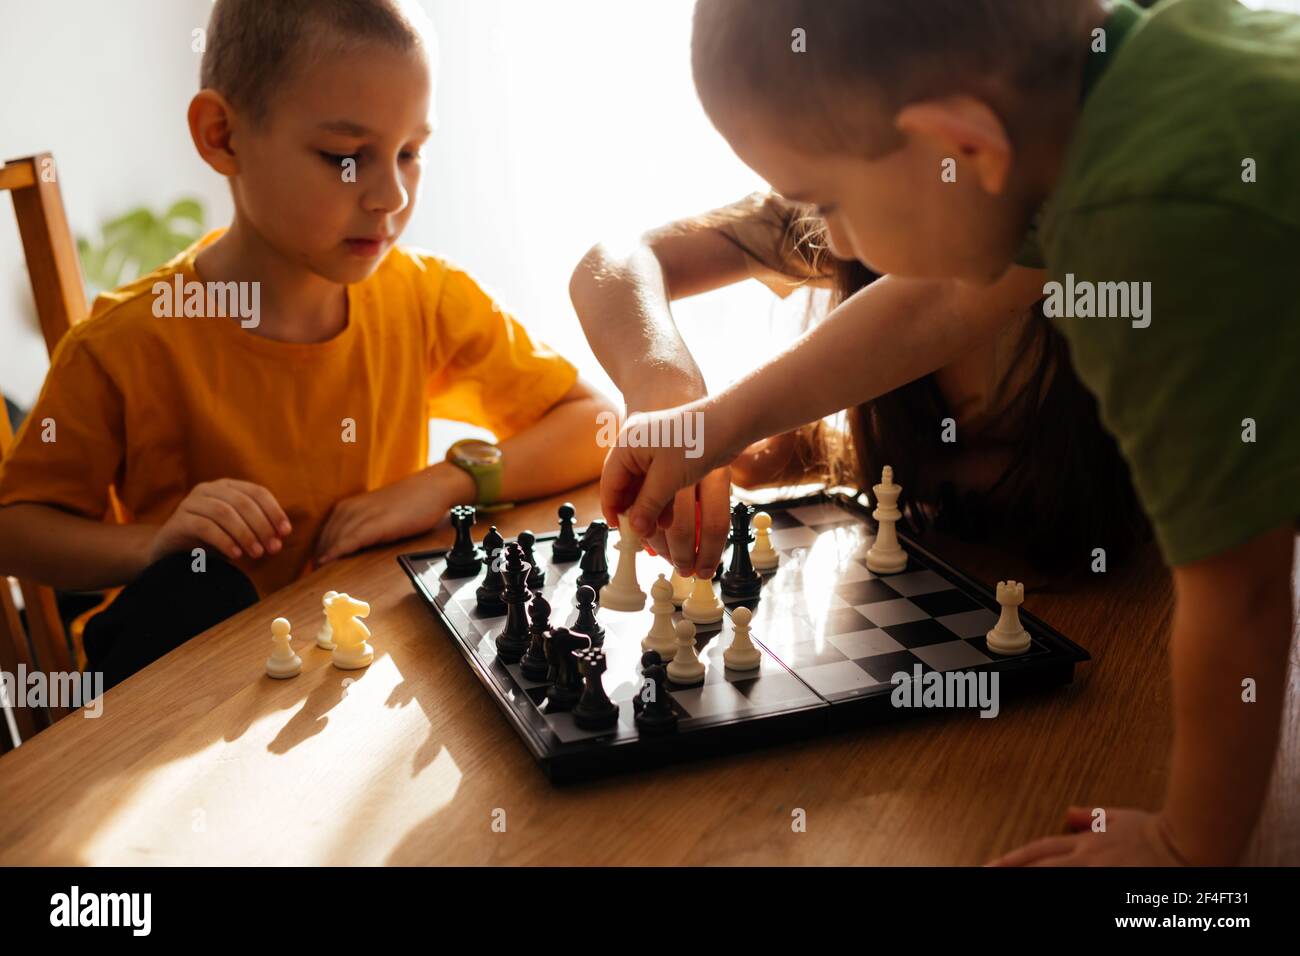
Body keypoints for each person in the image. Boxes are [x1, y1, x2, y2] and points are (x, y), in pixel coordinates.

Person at [600, 0, 1299, 865]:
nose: (837, 241)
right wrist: (718, 421)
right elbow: (942, 298)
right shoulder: (1112, 89)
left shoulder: (1152, 221)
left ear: (957, 148)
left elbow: (1247, 595)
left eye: (829, 203)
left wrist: (1186, 850)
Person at [0, 0, 615, 690]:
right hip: (188, 697)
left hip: (352, 681)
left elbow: (596, 424)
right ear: (222, 136)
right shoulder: (123, 345)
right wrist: (155, 542)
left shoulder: (424, 298)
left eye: (410, 152)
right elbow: (16, 529)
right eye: (346, 159)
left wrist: (445, 484)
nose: (389, 194)